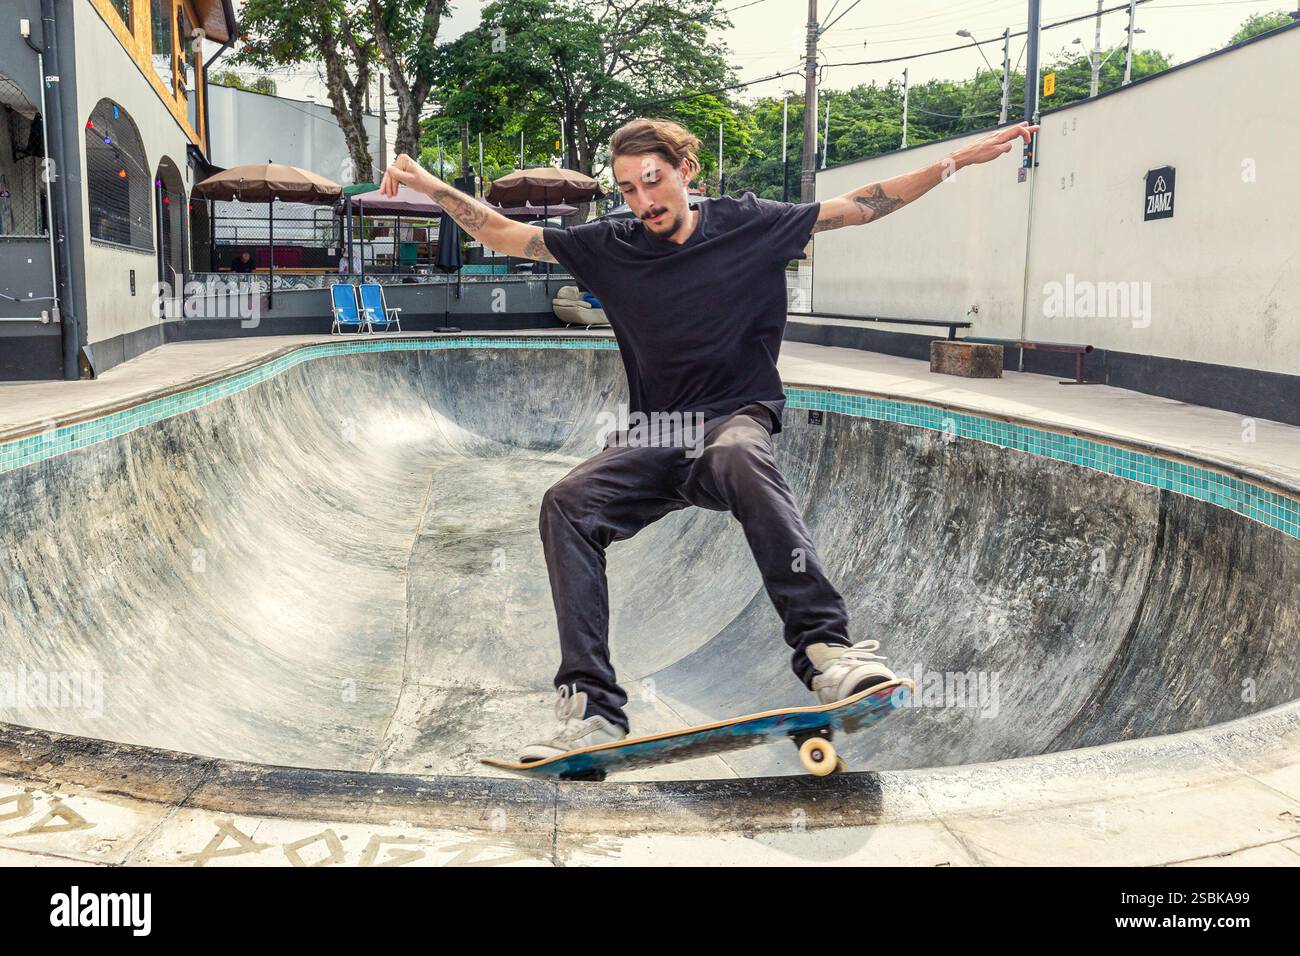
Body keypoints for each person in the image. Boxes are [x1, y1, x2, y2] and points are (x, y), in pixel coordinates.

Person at [381, 116, 1037, 760]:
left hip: (730, 417)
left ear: (685, 170)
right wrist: (427, 183)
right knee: (567, 503)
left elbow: (859, 207)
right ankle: (591, 707)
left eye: (653, 182)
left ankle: (827, 652)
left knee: (741, 456)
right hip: (654, 434)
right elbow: (503, 232)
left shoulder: (750, 223)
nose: (644, 202)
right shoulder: (611, 244)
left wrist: (958, 161)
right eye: (629, 190)